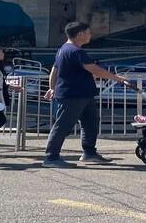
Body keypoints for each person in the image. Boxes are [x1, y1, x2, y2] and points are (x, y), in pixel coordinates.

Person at [42, 22, 131, 168]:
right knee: (63, 125)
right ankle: (51, 157)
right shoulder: (75, 51)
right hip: (72, 95)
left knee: (91, 123)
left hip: (84, 94)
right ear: (80, 34)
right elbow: (94, 69)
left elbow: (54, 70)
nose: (90, 35)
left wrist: (52, 88)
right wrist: (118, 78)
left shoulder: (63, 49)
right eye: (88, 32)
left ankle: (89, 152)